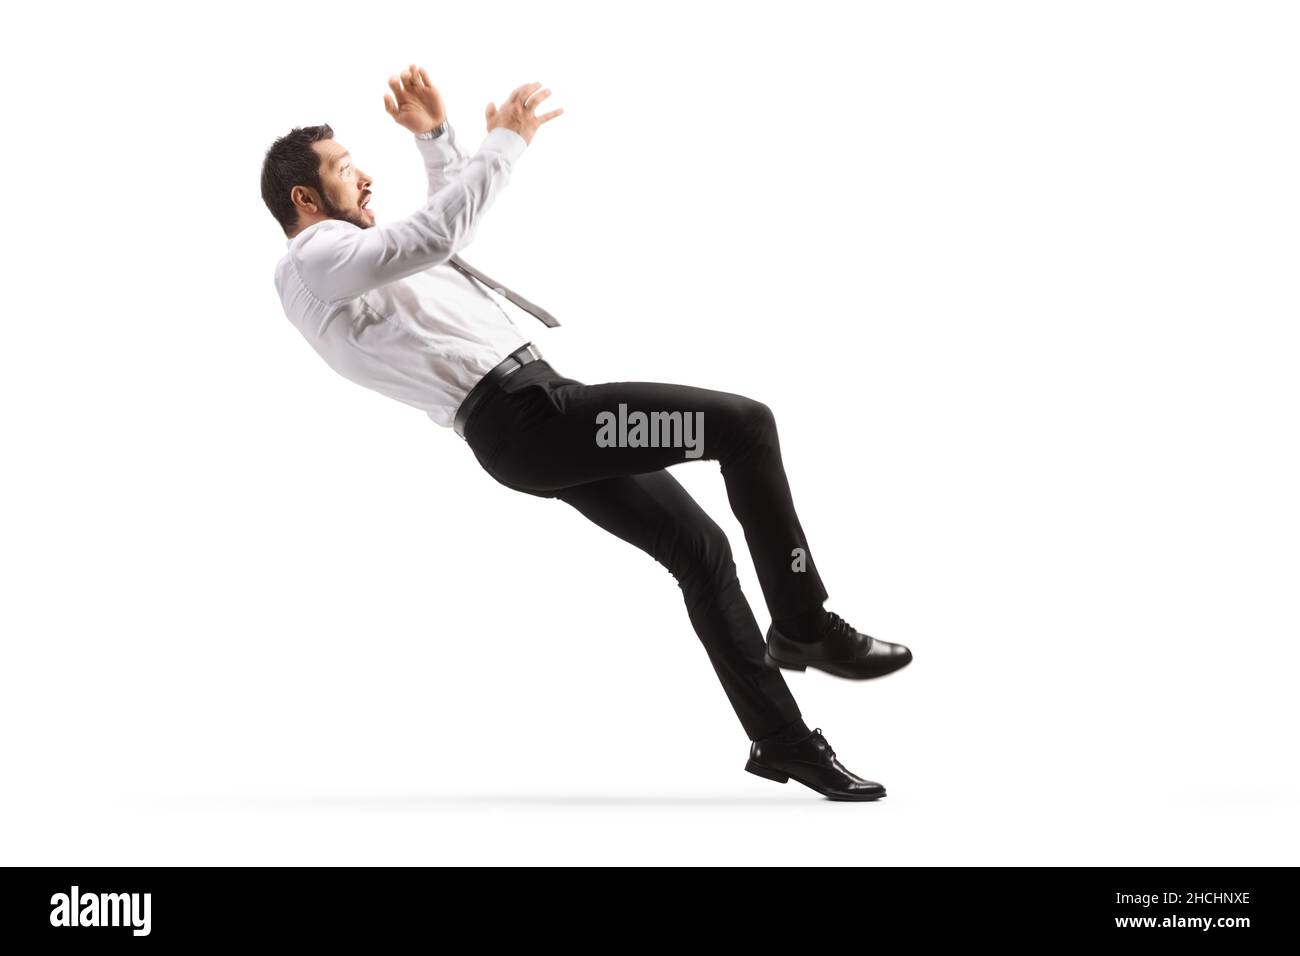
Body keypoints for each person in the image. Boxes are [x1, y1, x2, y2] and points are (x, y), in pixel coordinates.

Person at [261, 64, 914, 801]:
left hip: (538, 420)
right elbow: (439, 229)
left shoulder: (350, 264)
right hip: (530, 419)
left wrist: (438, 138)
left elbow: (436, 233)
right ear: (305, 198)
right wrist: (506, 141)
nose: (366, 177)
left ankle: (785, 743)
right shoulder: (314, 259)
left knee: (701, 552)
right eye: (347, 170)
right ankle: (803, 621)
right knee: (745, 426)